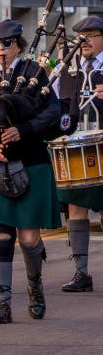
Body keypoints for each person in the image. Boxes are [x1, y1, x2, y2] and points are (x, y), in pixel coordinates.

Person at [0, 19, 61, 324]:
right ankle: (3, 301)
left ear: (19, 46)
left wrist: (23, 130)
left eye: (6, 44)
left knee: (28, 237)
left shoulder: (35, 74)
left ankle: (35, 289)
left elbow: (53, 111)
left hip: (31, 159)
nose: (0, 50)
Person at [53, 16, 103, 292]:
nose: (84, 42)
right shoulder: (69, 69)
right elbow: (56, 103)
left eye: (91, 36)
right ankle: (81, 273)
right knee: (75, 207)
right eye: (81, 37)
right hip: (76, 146)